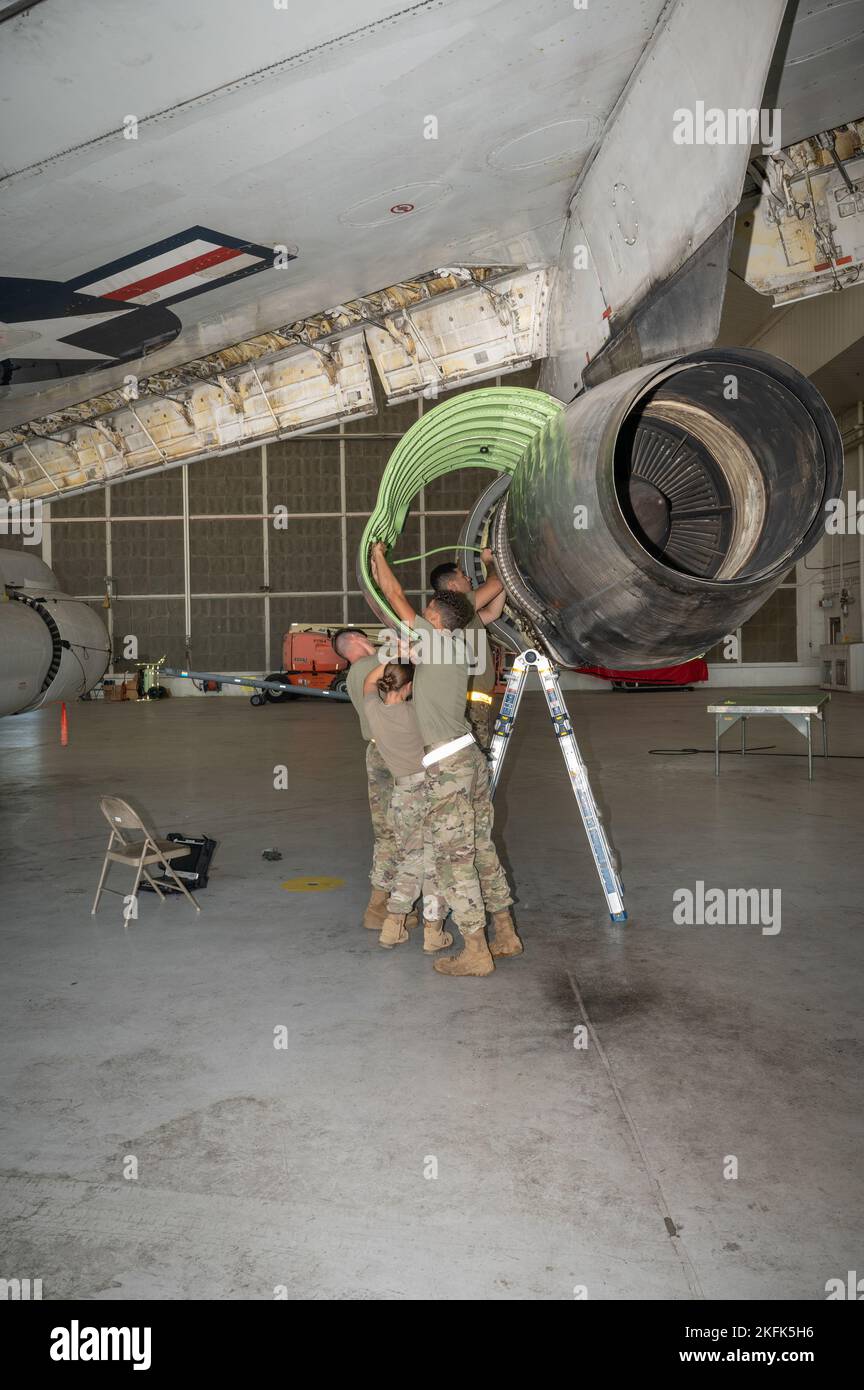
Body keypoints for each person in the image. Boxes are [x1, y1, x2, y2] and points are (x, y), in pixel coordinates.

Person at [370, 542, 522, 976]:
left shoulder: (436, 641)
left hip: (449, 768)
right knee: (482, 846)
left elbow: (392, 594)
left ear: (434, 618)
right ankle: (505, 931)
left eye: (429, 606)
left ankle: (476, 950)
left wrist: (378, 554)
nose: (423, 609)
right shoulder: (453, 647)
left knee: (454, 859)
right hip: (469, 758)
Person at [360, 659, 451, 953]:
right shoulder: (417, 714)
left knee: (410, 861)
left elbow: (368, 684)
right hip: (428, 792)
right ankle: (433, 932)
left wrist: (389, 660)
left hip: (401, 796)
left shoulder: (373, 711)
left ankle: (392, 926)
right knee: (435, 862)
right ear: (410, 686)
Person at [331, 628, 418, 933]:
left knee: (385, 832)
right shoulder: (372, 666)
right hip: (397, 754)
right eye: (365, 635)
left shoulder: (358, 673)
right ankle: (394, 909)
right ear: (355, 641)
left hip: (375, 751)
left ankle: (379, 907)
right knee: (409, 832)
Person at [429, 550, 506, 752]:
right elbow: (495, 585)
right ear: (453, 585)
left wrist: (504, 579)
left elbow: (492, 612)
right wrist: (490, 563)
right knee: (476, 755)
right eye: (463, 575)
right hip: (469, 700)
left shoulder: (460, 615)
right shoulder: (455, 605)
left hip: (473, 698)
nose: (468, 577)